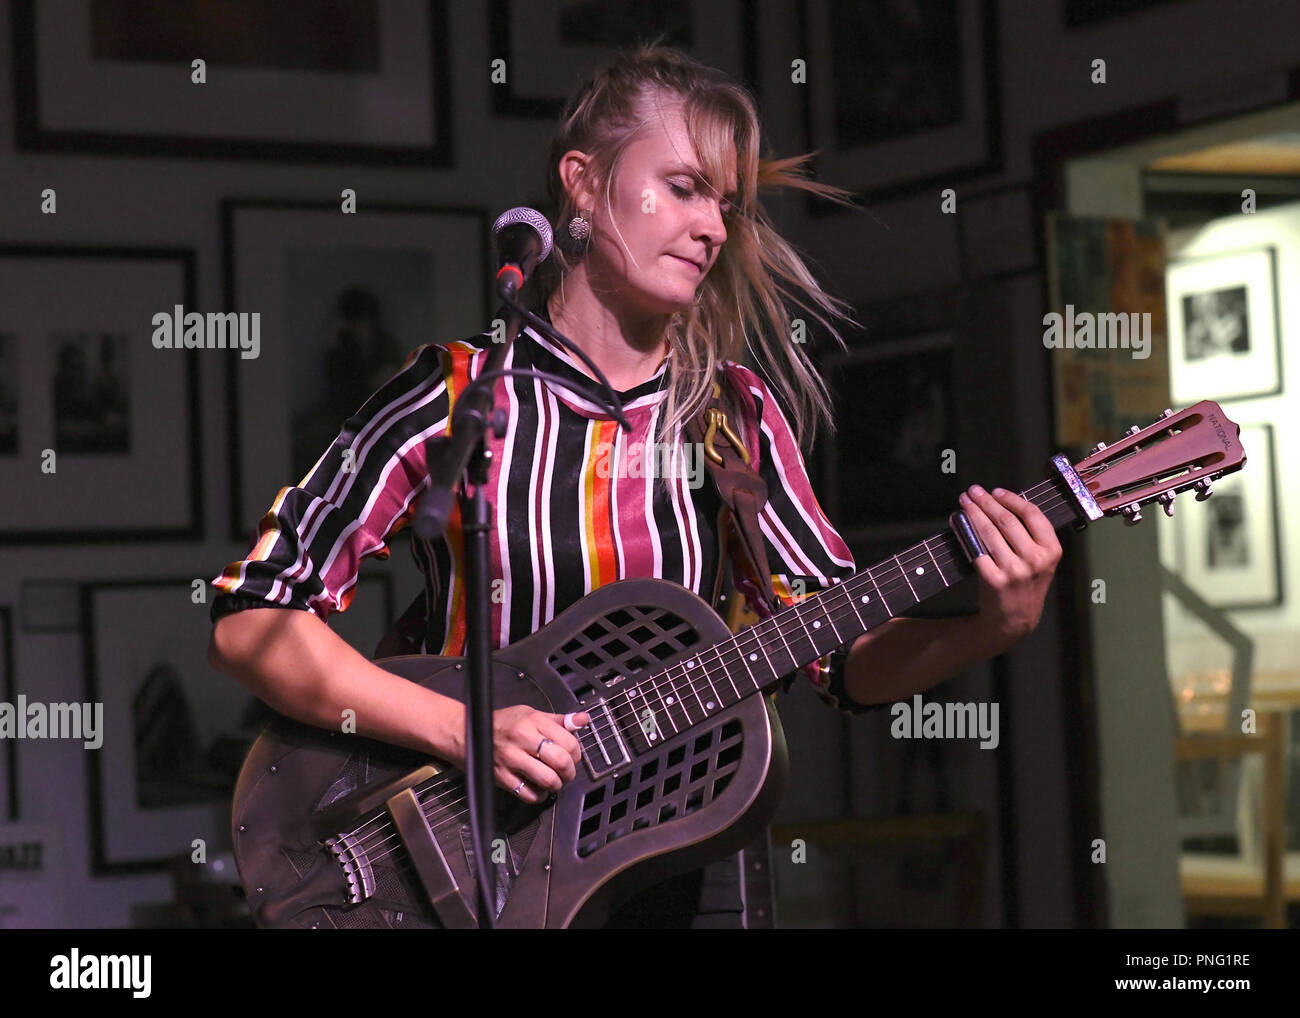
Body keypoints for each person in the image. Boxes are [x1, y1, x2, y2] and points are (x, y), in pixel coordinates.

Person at [207, 43, 1062, 928]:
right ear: (582, 183)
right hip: (468, 873)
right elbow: (252, 622)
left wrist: (994, 624)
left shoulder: (736, 414)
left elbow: (840, 659)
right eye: (686, 188)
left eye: (727, 205)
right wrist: (464, 733)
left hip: (681, 877)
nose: (716, 228)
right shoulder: (455, 396)